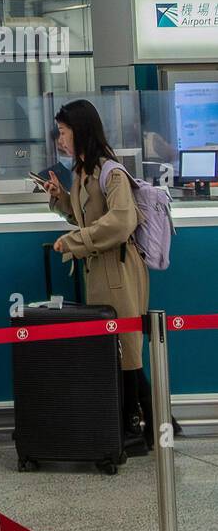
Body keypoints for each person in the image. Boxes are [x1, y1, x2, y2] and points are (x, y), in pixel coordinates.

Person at [40, 100, 161, 449]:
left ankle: (137, 430)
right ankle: (148, 426)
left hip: (119, 269)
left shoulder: (111, 172)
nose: (59, 139)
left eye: (64, 132)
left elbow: (121, 222)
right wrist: (61, 198)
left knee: (127, 349)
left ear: (81, 131)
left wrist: (75, 240)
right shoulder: (82, 173)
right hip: (101, 269)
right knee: (118, 349)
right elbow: (88, 217)